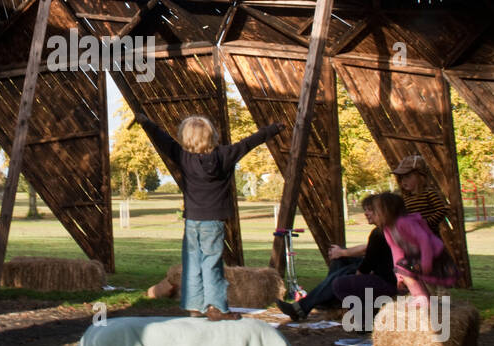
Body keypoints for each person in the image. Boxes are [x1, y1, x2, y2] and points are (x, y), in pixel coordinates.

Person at [135, 111, 282, 321]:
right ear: (211, 135)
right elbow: (250, 142)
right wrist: (273, 129)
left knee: (192, 266)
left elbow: (162, 138)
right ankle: (218, 308)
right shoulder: (225, 155)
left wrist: (147, 122)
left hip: (192, 221)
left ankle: (195, 308)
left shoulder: (182, 157)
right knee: (211, 265)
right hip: (213, 222)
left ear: (186, 138)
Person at [275, 194, 398, 321]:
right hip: (381, 269)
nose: (366, 213)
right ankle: (330, 302)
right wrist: (342, 254)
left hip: (385, 276)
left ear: (383, 212)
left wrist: (344, 255)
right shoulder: (383, 231)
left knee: (343, 273)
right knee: (339, 261)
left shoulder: (382, 232)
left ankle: (304, 307)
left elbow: (368, 257)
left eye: (371, 210)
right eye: (365, 210)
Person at [377, 190, 460, 307]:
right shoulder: (387, 229)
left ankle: (446, 308)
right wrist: (399, 275)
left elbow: (424, 239)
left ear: (388, 210)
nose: (374, 214)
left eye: (377, 210)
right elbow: (396, 250)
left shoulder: (403, 222)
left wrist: (426, 261)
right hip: (417, 257)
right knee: (415, 277)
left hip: (434, 254)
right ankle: (421, 298)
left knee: (439, 286)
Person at [392, 154, 450, 235]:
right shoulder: (405, 198)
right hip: (414, 235)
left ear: (420, 177)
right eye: (401, 178)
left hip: (430, 234)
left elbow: (441, 210)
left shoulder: (429, 193)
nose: (404, 181)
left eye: (407, 176)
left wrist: (426, 223)